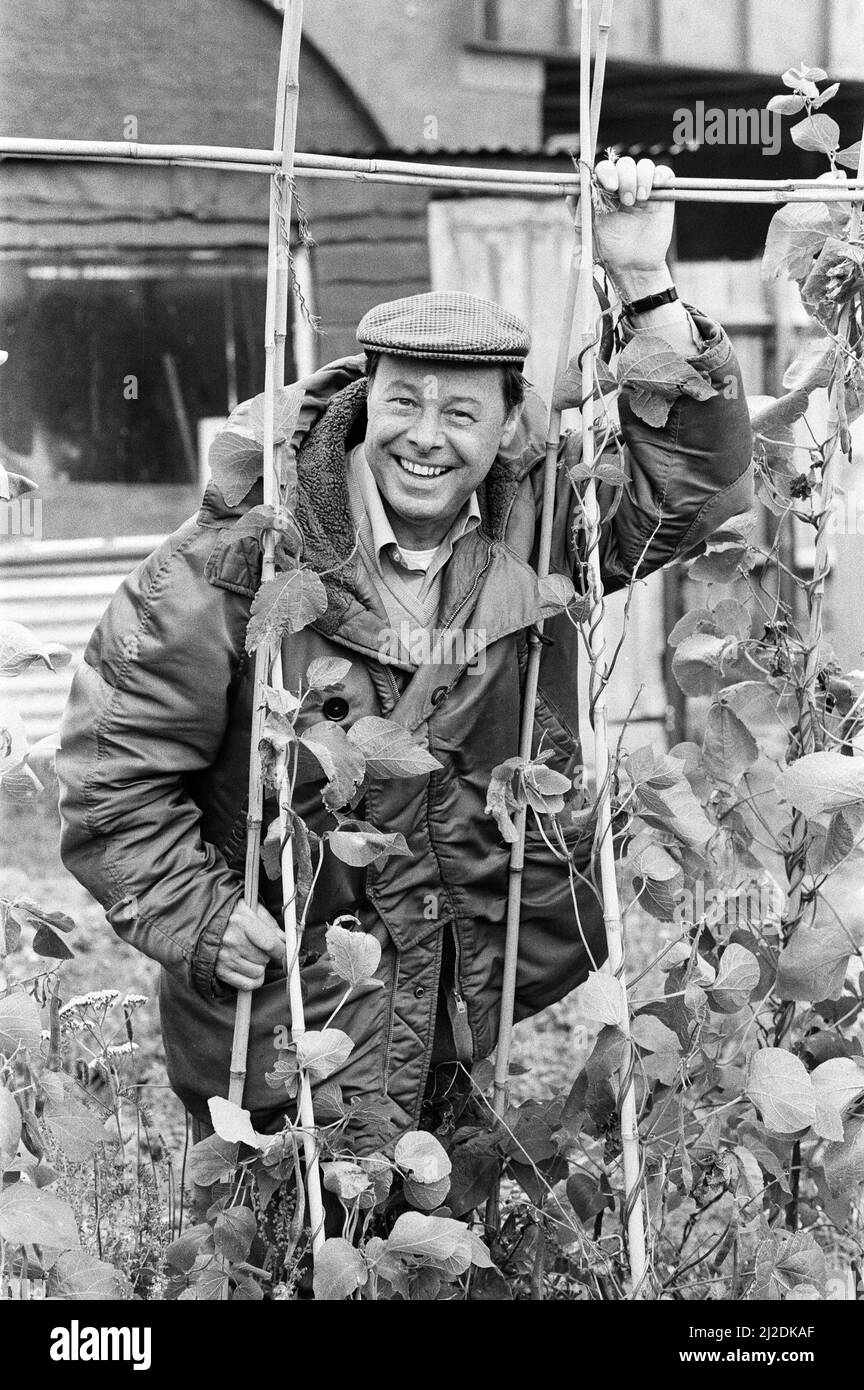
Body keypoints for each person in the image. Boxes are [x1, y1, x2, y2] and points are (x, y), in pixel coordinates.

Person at [56, 159, 753, 1149]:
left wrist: (643, 279)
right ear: (364, 400)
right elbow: (110, 783)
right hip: (278, 1025)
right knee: (285, 1253)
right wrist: (204, 921)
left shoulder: (536, 531)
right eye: (405, 404)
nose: (426, 439)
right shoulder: (233, 566)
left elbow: (700, 493)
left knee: (427, 1242)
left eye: (461, 412)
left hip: (455, 1011)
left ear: (507, 424)